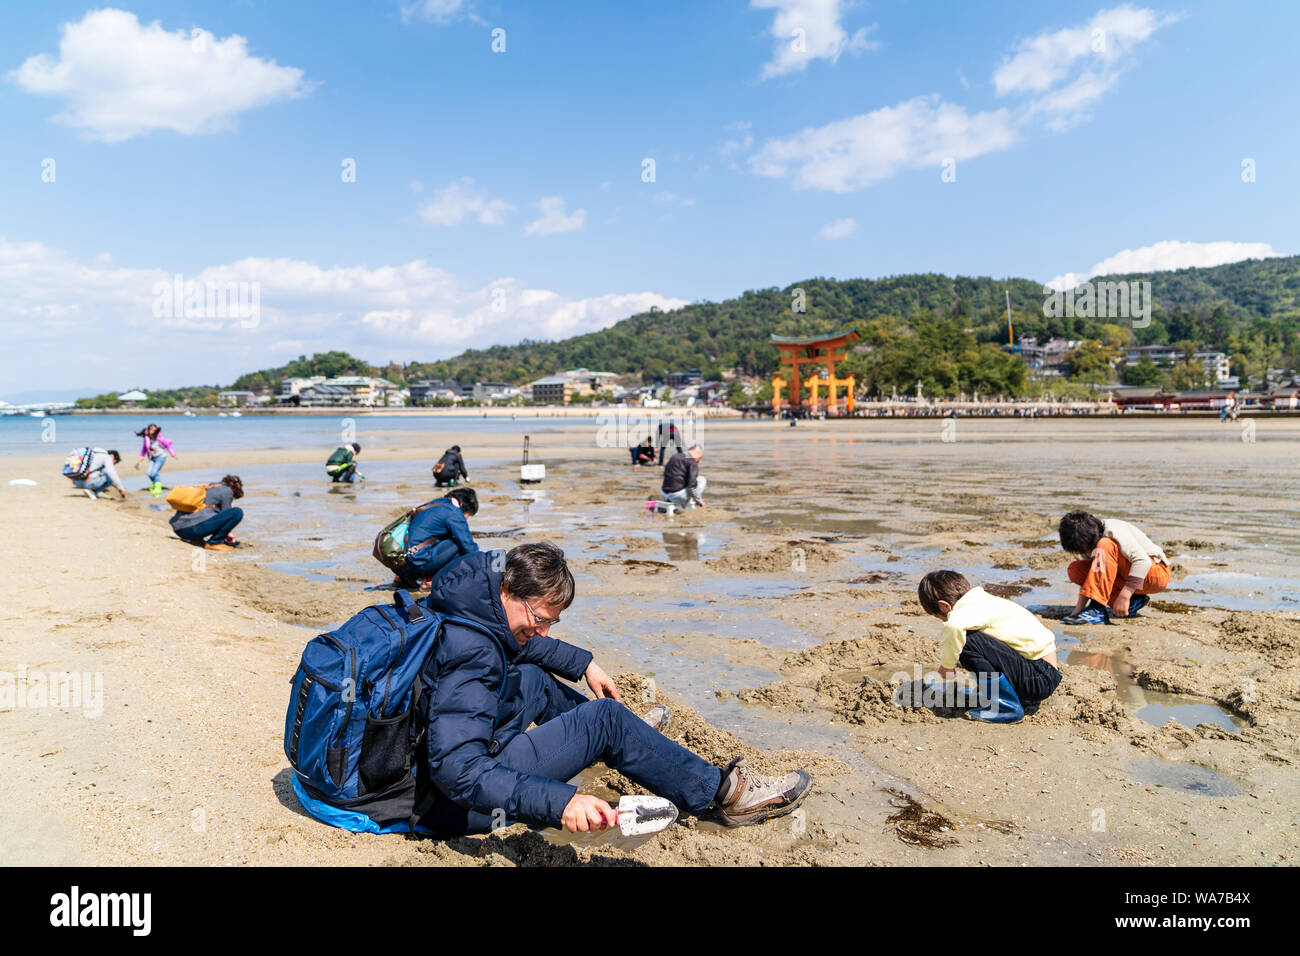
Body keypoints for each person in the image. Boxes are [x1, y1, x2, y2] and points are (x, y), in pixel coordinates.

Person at [412, 542, 812, 834]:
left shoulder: (466, 604)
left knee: (532, 677)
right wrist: (560, 801)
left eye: (552, 622)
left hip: (422, 771)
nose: (543, 631)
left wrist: (583, 662)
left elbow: (524, 642)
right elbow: (457, 771)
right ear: (509, 591)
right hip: (444, 805)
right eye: (540, 618)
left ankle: (619, 740)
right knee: (605, 718)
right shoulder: (474, 652)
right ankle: (727, 795)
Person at [918, 570, 1061, 723]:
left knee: (966, 641)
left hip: (1038, 678)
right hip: (1044, 672)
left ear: (944, 606)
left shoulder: (962, 613)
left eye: (939, 617)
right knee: (972, 639)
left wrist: (947, 667)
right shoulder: (982, 601)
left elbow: (953, 627)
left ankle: (1005, 707)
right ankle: (1015, 696)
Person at [1059, 510, 1170, 625]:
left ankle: (1097, 609)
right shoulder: (1089, 539)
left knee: (1105, 545)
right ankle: (1134, 602)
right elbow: (1093, 577)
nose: (1086, 552)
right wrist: (1079, 609)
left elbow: (1143, 562)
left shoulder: (1114, 531)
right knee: (1075, 570)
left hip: (1155, 573)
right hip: (1128, 577)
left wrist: (1125, 595)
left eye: (1086, 549)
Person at [393, 487, 480, 589]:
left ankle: (403, 578)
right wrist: (483, 563)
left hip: (399, 564)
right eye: (467, 516)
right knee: (457, 545)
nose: (466, 519)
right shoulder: (453, 512)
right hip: (415, 565)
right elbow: (468, 546)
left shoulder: (435, 504)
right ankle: (430, 581)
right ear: (462, 505)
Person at [169, 475, 245, 551]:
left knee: (208, 513)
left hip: (180, 530)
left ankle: (196, 540)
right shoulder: (227, 491)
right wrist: (228, 534)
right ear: (235, 490)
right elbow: (227, 514)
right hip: (191, 530)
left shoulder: (210, 488)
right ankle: (214, 543)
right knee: (237, 512)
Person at [135, 424, 177, 497]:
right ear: (148, 430)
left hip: (161, 457)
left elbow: (168, 446)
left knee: (154, 472)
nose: (152, 431)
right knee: (148, 473)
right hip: (153, 458)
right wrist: (142, 456)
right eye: (151, 430)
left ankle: (158, 487)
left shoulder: (159, 438)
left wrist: (173, 454)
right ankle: (155, 485)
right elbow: (144, 448)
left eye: (154, 430)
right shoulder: (146, 438)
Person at [661, 443, 705, 510]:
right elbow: (692, 486)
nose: (698, 461)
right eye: (699, 458)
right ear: (697, 455)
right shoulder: (692, 462)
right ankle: (689, 504)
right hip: (676, 495)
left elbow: (665, 473)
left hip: (663, 492)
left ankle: (671, 500)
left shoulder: (675, 456)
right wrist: (700, 502)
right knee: (702, 479)